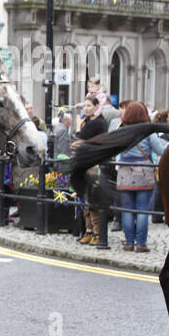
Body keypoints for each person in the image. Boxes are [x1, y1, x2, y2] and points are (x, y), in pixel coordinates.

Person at [113, 101, 168, 253]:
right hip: (144, 171)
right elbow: (161, 151)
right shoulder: (148, 132)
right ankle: (141, 244)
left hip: (124, 172)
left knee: (127, 210)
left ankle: (129, 243)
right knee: (142, 210)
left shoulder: (120, 131)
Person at [73, 96, 107, 243]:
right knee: (84, 198)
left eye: (89, 106)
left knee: (91, 198)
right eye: (84, 106)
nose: (85, 108)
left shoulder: (98, 123)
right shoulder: (87, 121)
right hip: (84, 161)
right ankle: (89, 230)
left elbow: (79, 138)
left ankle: (97, 233)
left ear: (96, 106)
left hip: (94, 162)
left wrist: (78, 127)